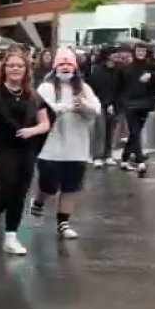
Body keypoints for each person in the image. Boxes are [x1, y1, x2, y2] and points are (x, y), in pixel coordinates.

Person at [0, 49, 51, 256]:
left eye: (19, 66)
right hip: (1, 148)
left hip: (26, 149)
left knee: (20, 193)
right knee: (6, 187)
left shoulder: (33, 96)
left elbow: (45, 123)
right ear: (4, 69)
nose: (15, 69)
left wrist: (32, 130)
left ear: (26, 69)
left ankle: (11, 236)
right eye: (11, 66)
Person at [31, 47, 101, 240]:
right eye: (61, 64)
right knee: (49, 186)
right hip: (50, 147)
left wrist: (84, 107)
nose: (65, 67)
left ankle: (63, 222)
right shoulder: (46, 87)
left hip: (76, 146)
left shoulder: (84, 88)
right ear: (55, 67)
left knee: (71, 186)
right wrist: (65, 107)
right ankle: (39, 201)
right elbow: (41, 110)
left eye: (69, 64)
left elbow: (96, 109)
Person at [116, 44, 155, 176]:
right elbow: (120, 87)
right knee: (135, 131)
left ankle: (125, 159)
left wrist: (151, 76)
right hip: (130, 103)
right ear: (133, 52)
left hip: (145, 103)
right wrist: (119, 103)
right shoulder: (126, 69)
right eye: (138, 51)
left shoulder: (151, 67)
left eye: (143, 51)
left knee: (135, 132)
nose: (140, 53)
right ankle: (140, 161)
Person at [87, 49, 120, 169]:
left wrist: (115, 103)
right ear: (108, 56)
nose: (116, 56)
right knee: (100, 130)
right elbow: (92, 87)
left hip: (114, 104)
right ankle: (97, 156)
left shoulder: (118, 70)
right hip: (100, 103)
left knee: (111, 130)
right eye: (114, 54)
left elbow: (119, 88)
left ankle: (108, 155)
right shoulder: (98, 71)